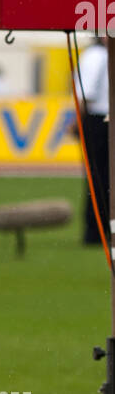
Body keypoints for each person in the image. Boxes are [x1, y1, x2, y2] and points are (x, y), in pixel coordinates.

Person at [76, 36, 109, 246]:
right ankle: (97, 230)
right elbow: (85, 95)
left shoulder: (97, 56)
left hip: (100, 119)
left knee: (98, 176)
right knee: (100, 176)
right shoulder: (96, 56)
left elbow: (84, 94)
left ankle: (97, 229)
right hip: (99, 120)